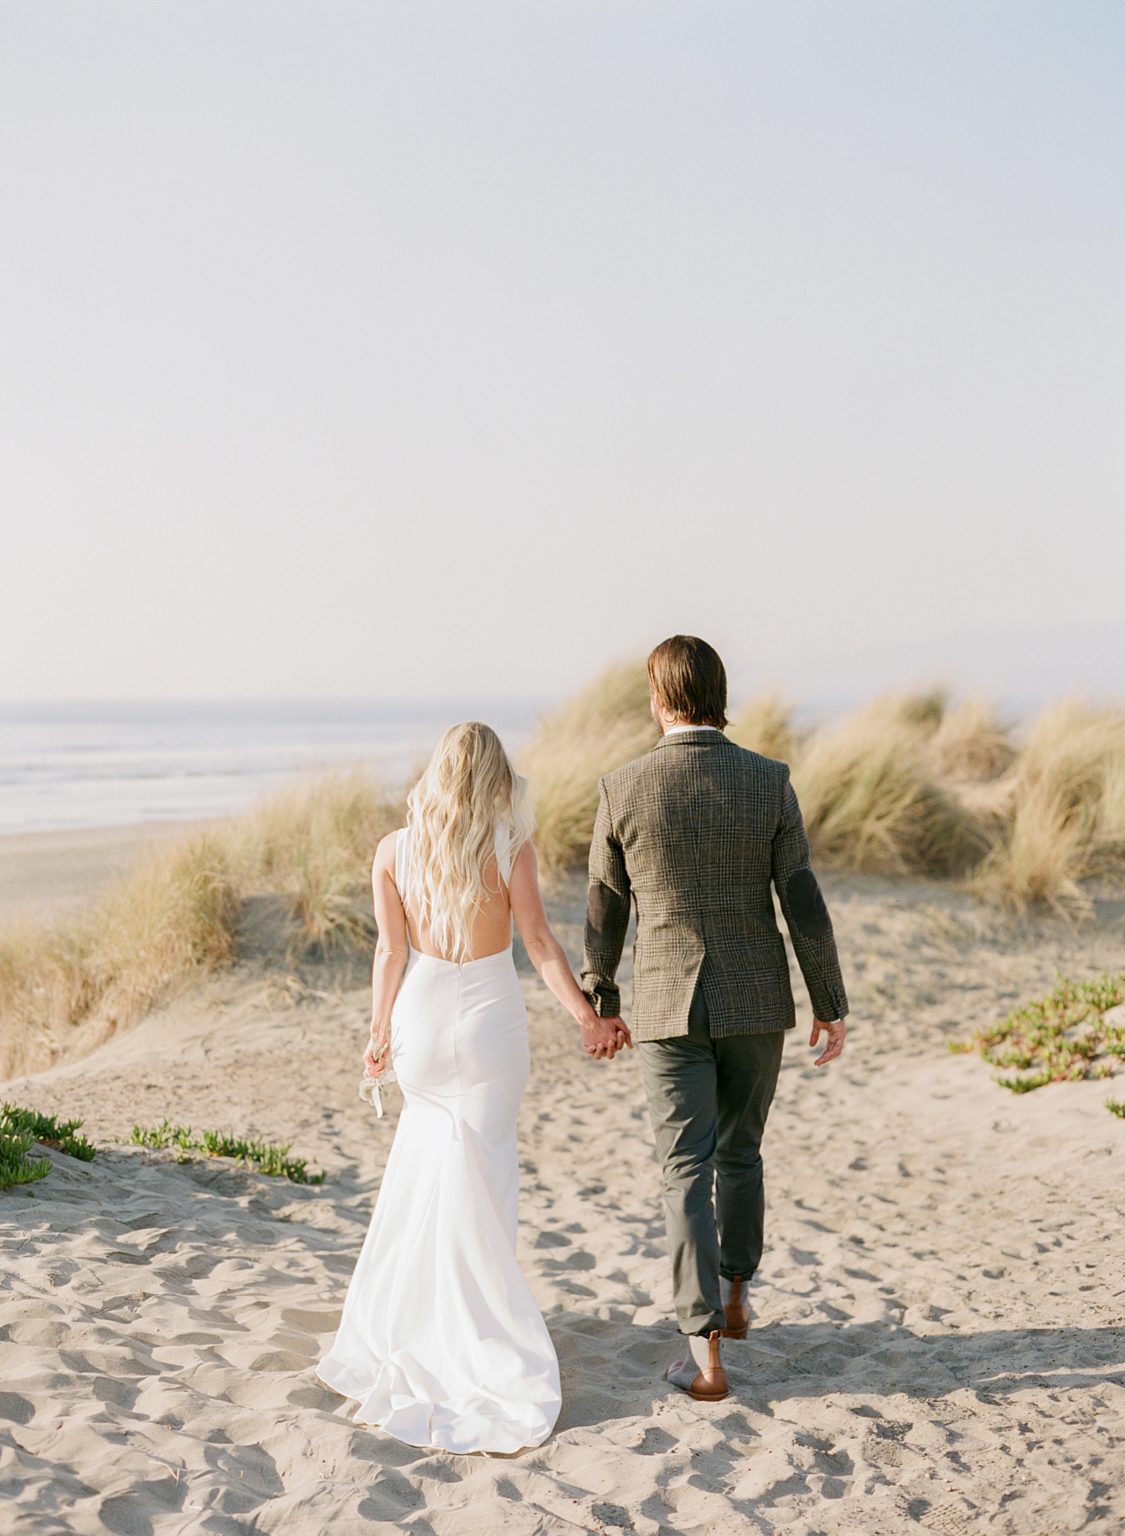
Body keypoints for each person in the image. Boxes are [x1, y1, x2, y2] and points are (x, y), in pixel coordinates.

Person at [316, 721, 630, 1454]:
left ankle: (413, 1320)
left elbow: (390, 952)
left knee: (424, 1165)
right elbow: (542, 944)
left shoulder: (393, 851)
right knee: (482, 1172)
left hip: (422, 1015)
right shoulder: (509, 844)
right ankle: (476, 1325)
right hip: (489, 1020)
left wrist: (377, 1031)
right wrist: (586, 1017)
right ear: (495, 776)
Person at [580, 635, 849, 1402]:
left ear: (659, 699)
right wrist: (828, 1001)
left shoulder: (622, 787)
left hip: (667, 1005)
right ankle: (735, 1293)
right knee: (741, 1155)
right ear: (717, 693)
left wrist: (602, 996)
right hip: (754, 1000)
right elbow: (801, 900)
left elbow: (604, 907)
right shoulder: (768, 781)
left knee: (682, 1171)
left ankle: (704, 1357)